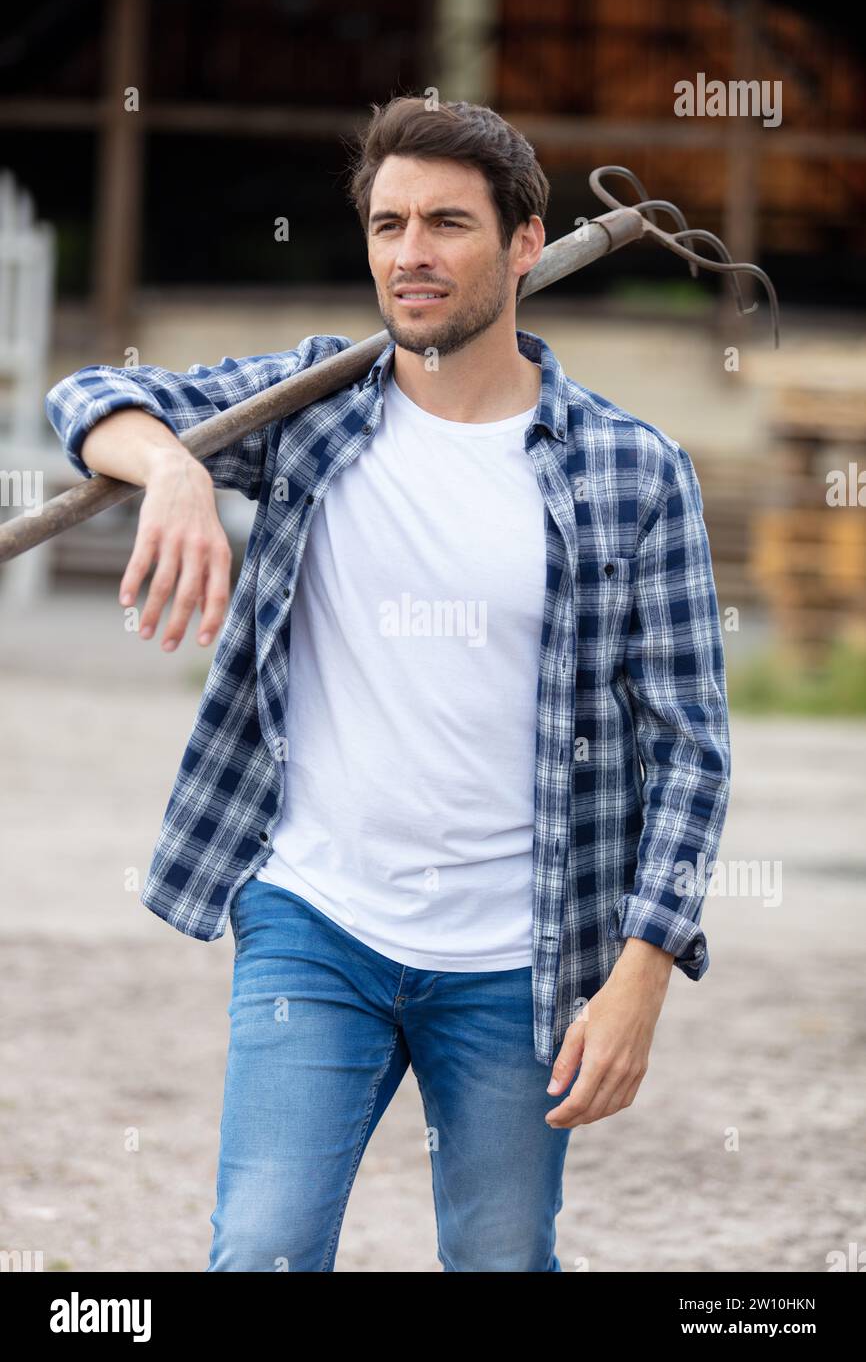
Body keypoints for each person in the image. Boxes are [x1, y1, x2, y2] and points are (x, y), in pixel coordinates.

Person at [45, 95, 731, 1272]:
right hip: (314, 923)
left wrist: (641, 974)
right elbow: (85, 401)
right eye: (387, 224)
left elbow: (690, 751)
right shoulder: (307, 408)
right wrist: (172, 470)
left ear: (524, 243)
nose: (409, 255)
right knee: (258, 1251)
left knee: (503, 1261)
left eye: (447, 225)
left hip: (522, 953)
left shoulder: (634, 470)